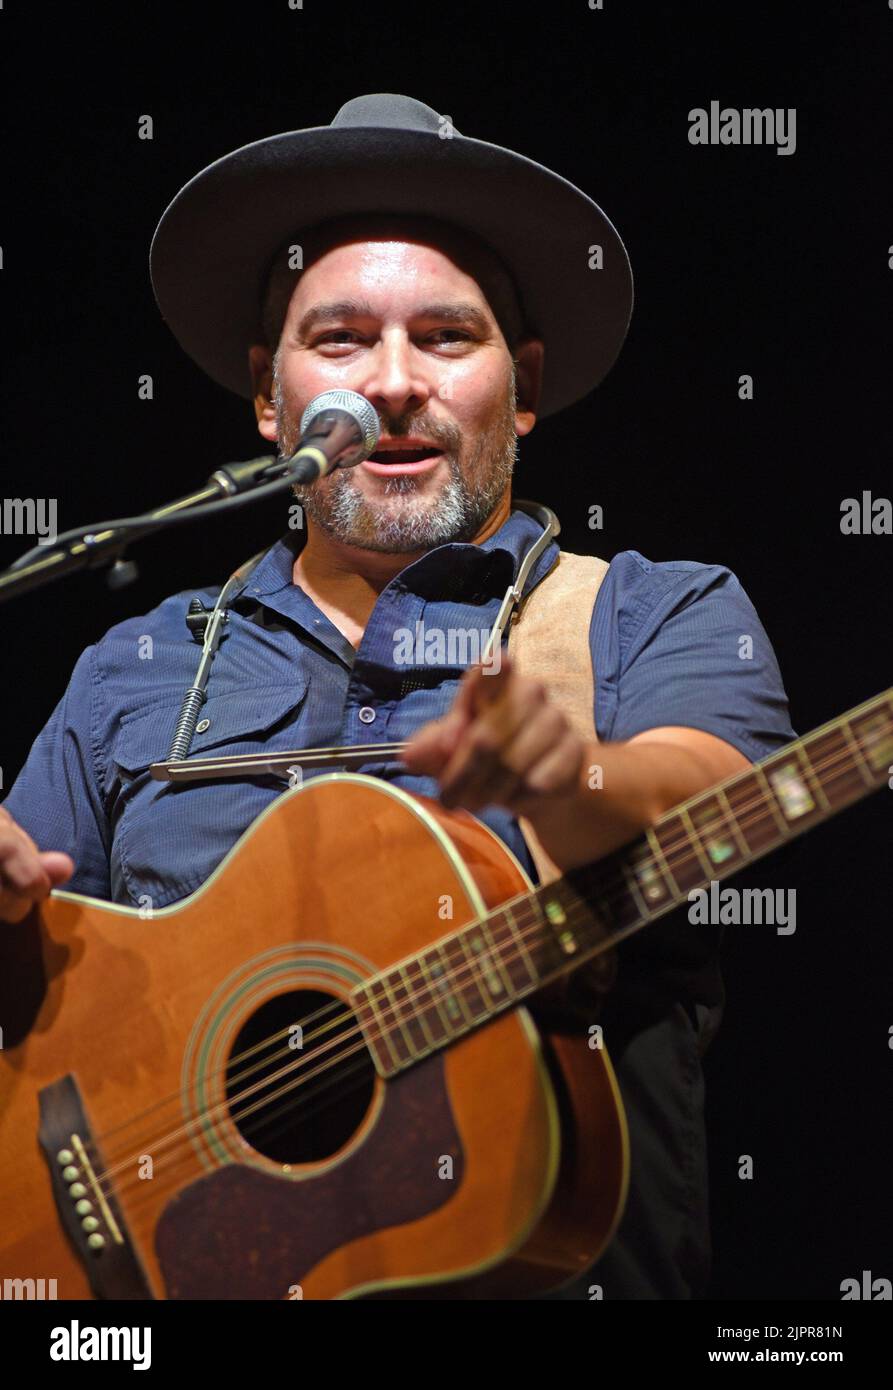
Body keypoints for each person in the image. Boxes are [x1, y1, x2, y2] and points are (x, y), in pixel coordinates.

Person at [0, 93, 795, 1298]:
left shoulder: (654, 611)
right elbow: (34, 988)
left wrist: (564, 772)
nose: (391, 384)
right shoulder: (135, 664)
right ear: (269, 401)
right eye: (339, 341)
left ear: (519, 389)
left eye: (442, 336)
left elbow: (706, 801)